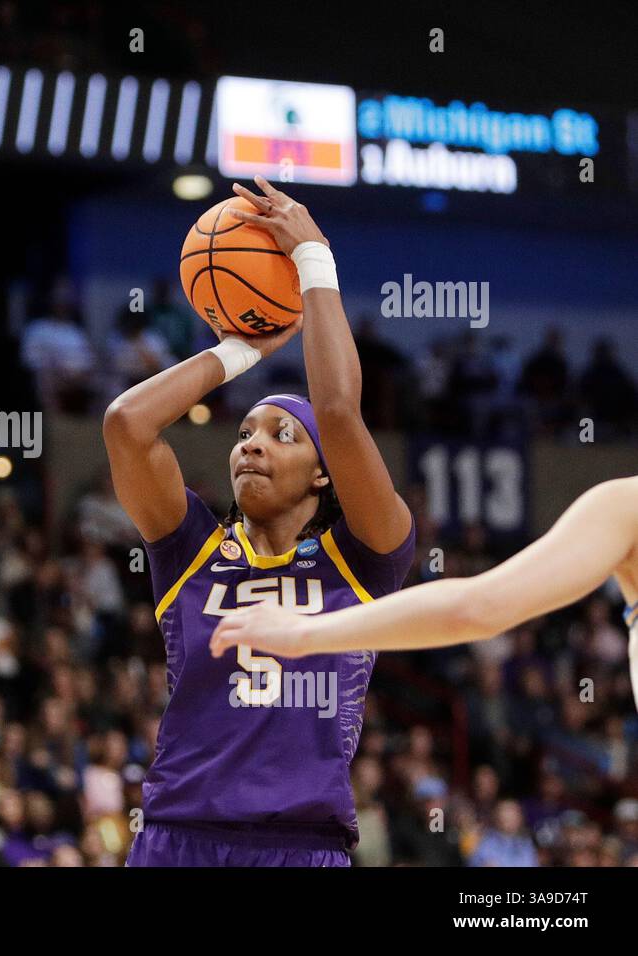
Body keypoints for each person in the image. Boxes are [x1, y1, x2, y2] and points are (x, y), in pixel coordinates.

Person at [103, 177, 414, 867]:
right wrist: (242, 350)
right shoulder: (192, 552)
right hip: (175, 838)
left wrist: (314, 263)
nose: (251, 444)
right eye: (245, 431)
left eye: (281, 435)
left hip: (299, 846)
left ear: (324, 471)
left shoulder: (364, 560)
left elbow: (337, 411)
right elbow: (127, 424)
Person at [209, 477, 638, 715]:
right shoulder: (625, 509)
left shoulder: (623, 507)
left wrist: (308, 633)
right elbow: (475, 609)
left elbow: (478, 610)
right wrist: (308, 634)